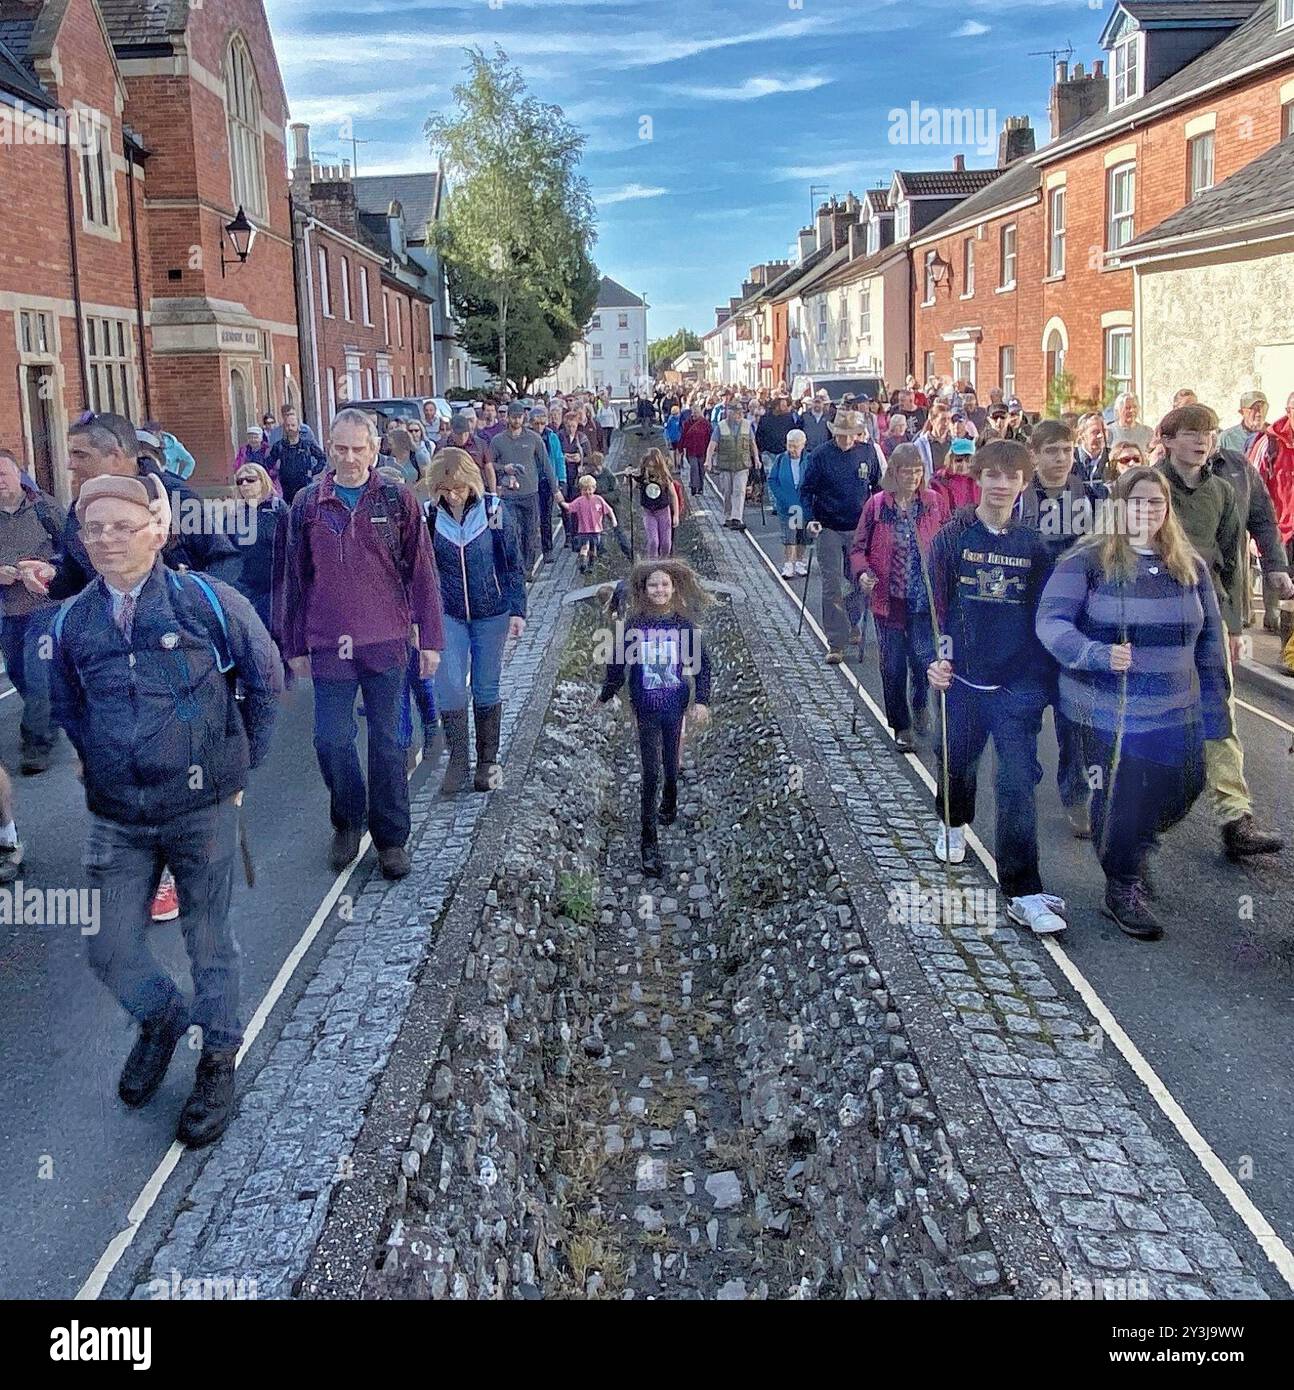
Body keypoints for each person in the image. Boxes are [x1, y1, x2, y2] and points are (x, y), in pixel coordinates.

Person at [49, 472, 280, 1146]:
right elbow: (68, 705)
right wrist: (94, 760)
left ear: (157, 530)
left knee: (208, 940)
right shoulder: (73, 621)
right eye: (93, 529)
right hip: (119, 813)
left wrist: (240, 773)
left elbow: (265, 682)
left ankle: (217, 1059)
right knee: (110, 946)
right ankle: (162, 1018)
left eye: (122, 525)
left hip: (200, 804)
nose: (106, 539)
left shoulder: (209, 602)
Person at [1038, 467, 1231, 940]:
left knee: (1186, 784)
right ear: (1118, 507)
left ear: (1167, 510)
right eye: (1136, 502)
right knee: (1120, 796)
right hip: (1106, 709)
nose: (1145, 511)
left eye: (1155, 503)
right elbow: (1052, 622)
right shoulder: (1086, 560)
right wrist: (1097, 654)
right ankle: (1122, 886)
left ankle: (1137, 842)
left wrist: (1216, 704)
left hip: (1175, 707)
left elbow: (1209, 640)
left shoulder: (1188, 566)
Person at [282, 408, 445, 880]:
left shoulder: (397, 499)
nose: (350, 458)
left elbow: (421, 572)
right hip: (330, 643)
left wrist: (429, 638)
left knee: (389, 742)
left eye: (359, 449)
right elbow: (293, 580)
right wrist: (293, 644)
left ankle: (391, 838)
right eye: (341, 448)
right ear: (328, 448)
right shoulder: (308, 503)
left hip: (388, 641)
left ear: (375, 450)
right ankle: (348, 821)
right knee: (331, 740)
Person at [926, 439, 1068, 936]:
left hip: (1014, 687)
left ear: (1023, 485)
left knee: (1016, 785)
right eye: (993, 475)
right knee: (957, 763)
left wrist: (1040, 681)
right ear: (979, 478)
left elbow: (1043, 616)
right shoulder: (952, 539)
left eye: (1012, 477)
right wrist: (934, 662)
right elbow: (935, 607)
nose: (1002, 484)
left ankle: (1022, 890)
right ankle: (950, 819)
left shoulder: (1033, 545)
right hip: (962, 680)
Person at [1156, 404, 1282, 859]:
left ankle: (1236, 817)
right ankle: (1131, 815)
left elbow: (1229, 562)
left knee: (1220, 714)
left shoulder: (1222, 492)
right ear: (1167, 439)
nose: (1202, 440)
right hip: (1156, 618)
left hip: (1207, 616)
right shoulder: (1147, 490)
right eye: (1191, 433)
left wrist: (1231, 625)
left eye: (1207, 433)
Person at [1015, 420, 1107, 836]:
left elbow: (1105, 556)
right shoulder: (1018, 500)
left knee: (1075, 722)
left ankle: (1076, 799)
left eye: (1067, 450)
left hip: (1075, 627)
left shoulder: (1089, 497)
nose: (1060, 458)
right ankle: (1024, 779)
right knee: (1025, 715)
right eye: (1051, 450)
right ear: (1033, 454)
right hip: (1028, 628)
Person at [597, 560, 712, 878]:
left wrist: (701, 701)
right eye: (653, 586)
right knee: (650, 775)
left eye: (664, 585)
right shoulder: (634, 627)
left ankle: (671, 798)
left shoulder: (683, 627)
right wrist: (605, 695)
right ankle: (648, 846)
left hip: (675, 706)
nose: (659, 590)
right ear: (643, 591)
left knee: (671, 768)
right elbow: (617, 667)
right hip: (645, 710)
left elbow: (702, 665)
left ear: (673, 588)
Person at [426, 449, 526, 794]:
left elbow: (513, 562)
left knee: (486, 685)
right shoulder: (428, 517)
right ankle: (457, 761)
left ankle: (487, 762)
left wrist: (518, 610)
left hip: (491, 610)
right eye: (445, 490)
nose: (452, 496)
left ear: (471, 483)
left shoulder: (494, 511)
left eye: (458, 488)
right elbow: (419, 572)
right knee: (450, 685)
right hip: (447, 612)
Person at [849, 444, 947, 751]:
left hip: (923, 601)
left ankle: (919, 705)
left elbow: (946, 541)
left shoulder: (933, 502)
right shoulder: (877, 505)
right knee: (892, 667)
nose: (914, 477)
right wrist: (863, 572)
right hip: (887, 600)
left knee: (922, 663)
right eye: (907, 471)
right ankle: (900, 725)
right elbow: (857, 549)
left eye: (918, 471)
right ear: (894, 472)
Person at [801, 410, 882, 664]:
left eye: (851, 435)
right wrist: (810, 518)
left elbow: (877, 487)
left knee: (860, 580)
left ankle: (851, 620)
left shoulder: (867, 452)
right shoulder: (820, 456)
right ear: (834, 432)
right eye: (842, 435)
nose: (847, 440)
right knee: (831, 584)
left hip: (860, 528)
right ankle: (836, 641)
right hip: (829, 527)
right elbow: (806, 491)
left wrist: (881, 517)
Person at [0, 449, 63, 773]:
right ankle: (48, 717)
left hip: (45, 607)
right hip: (9, 610)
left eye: (3, 475)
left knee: (38, 672)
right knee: (18, 673)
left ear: (18, 475)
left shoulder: (45, 508)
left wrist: (46, 568)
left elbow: (73, 552)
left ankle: (36, 743)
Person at [489, 402, 558, 574]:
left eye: (519, 417)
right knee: (511, 531)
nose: (517, 420)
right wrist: (504, 469)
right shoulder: (498, 440)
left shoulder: (533, 438)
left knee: (530, 531)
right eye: (513, 416)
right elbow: (489, 465)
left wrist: (555, 489)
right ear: (508, 418)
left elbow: (546, 464)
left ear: (524, 417)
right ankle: (516, 566)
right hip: (508, 494)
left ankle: (528, 567)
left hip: (530, 492)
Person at [231, 462, 288, 638]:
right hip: (246, 585)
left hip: (275, 584)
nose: (245, 485)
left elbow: (291, 544)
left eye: (250, 479)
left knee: (276, 636)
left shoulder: (278, 509)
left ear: (262, 481)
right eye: (240, 481)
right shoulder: (236, 515)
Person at [705, 397, 760, 530]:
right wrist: (708, 460)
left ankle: (737, 518)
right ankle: (728, 516)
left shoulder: (747, 425)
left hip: (742, 464)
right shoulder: (721, 426)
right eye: (736, 412)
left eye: (741, 412)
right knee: (727, 491)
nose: (739, 415)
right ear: (729, 413)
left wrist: (756, 458)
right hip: (725, 465)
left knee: (739, 490)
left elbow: (753, 443)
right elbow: (712, 444)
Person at [768, 427, 812, 577]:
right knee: (789, 535)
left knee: (802, 535)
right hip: (787, 505)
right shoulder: (781, 459)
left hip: (804, 504)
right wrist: (781, 497)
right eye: (789, 445)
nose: (791, 449)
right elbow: (772, 480)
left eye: (795, 445)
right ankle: (788, 564)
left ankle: (800, 561)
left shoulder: (810, 459)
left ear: (803, 445)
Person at [268, 408, 327, 504]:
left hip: (305, 486)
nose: (290, 428)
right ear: (284, 427)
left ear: (298, 427)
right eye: (287, 426)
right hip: (286, 489)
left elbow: (322, 458)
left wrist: (312, 471)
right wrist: (275, 471)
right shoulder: (279, 446)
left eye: (293, 425)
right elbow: (268, 462)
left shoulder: (307, 444)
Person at [563, 473, 618, 573]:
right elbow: (570, 507)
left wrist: (613, 520)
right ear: (581, 490)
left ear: (594, 488)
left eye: (590, 489)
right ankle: (583, 562)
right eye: (585, 490)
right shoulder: (579, 501)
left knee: (593, 548)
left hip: (596, 529)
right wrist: (561, 501)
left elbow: (609, 510)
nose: (588, 492)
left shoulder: (598, 499)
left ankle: (591, 565)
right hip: (584, 530)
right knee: (585, 546)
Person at [634, 448, 678, 560]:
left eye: (654, 467)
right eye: (649, 466)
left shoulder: (665, 477)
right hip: (649, 512)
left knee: (666, 543)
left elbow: (673, 496)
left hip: (663, 511)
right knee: (653, 541)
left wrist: (675, 515)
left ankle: (664, 560)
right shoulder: (642, 476)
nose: (651, 469)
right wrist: (629, 476)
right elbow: (631, 485)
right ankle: (652, 562)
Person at [445, 412, 495, 492]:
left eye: (465, 433)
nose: (462, 437)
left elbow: (489, 469)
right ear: (452, 431)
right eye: (458, 434)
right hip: (453, 490)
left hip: (477, 488)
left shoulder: (480, 444)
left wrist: (493, 493)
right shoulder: (444, 447)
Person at [680, 406, 712, 497]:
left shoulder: (705, 423)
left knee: (701, 469)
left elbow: (709, 436)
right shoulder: (687, 423)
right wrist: (681, 447)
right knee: (694, 468)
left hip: (702, 450)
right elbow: (683, 435)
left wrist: (711, 449)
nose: (695, 414)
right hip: (691, 450)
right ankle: (694, 487)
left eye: (697, 412)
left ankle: (700, 487)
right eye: (693, 412)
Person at [1073, 413, 1110, 484]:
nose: (1101, 435)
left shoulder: (1112, 457)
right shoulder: (1071, 458)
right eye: (1095, 432)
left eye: (1104, 430)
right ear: (1081, 434)